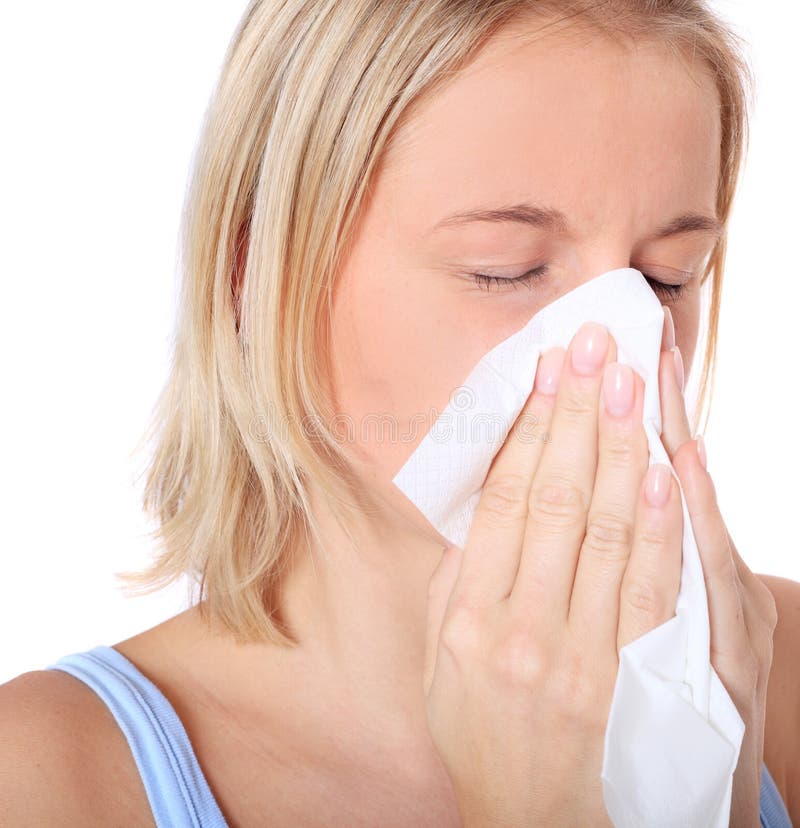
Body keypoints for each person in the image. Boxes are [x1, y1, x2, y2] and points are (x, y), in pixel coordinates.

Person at [1, 1, 797, 826]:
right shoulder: (47, 780)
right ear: (263, 280)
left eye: (667, 276)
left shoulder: (769, 675)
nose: (615, 351)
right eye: (506, 269)